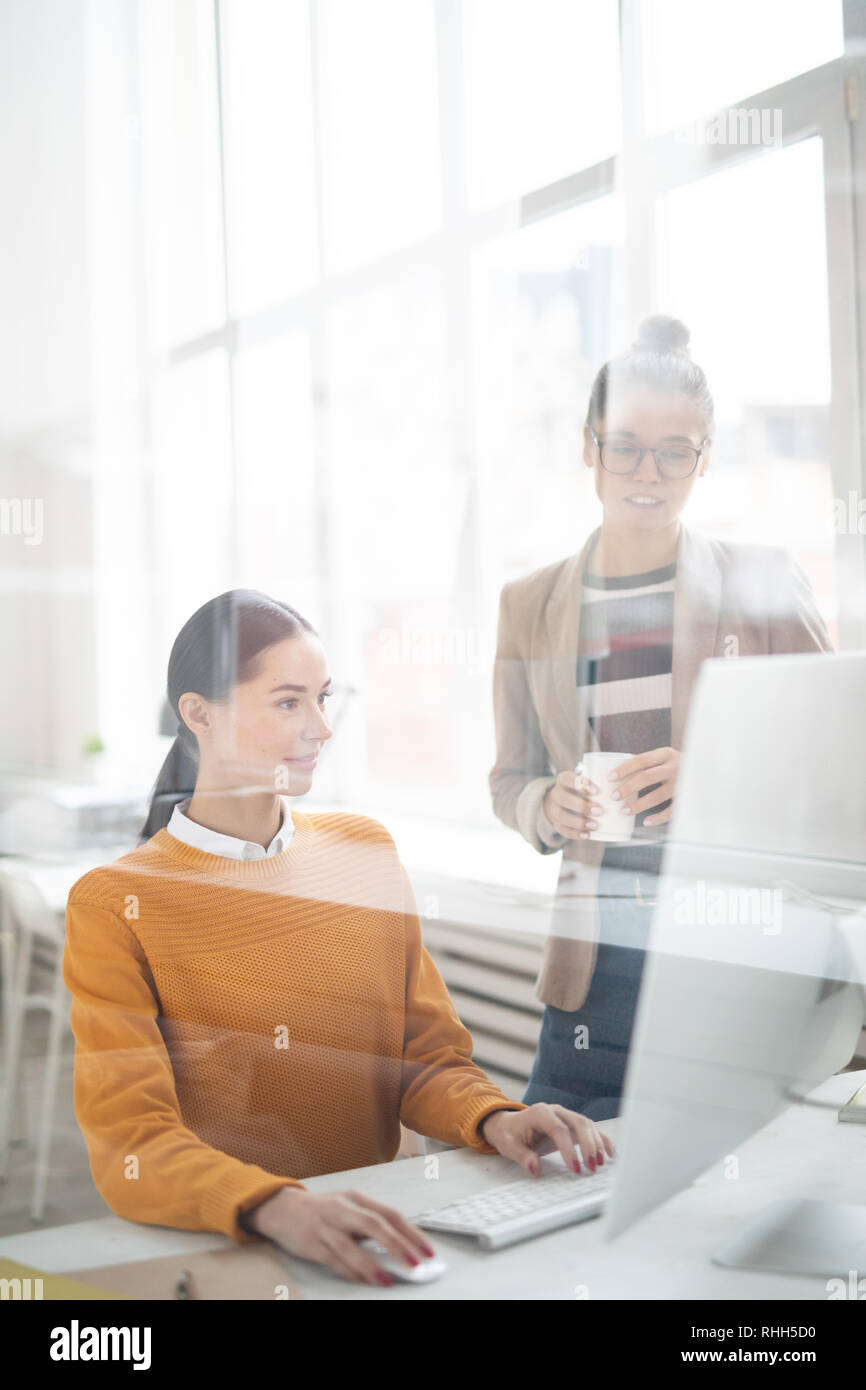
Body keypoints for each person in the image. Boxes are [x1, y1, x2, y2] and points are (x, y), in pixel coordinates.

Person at [64, 589, 615, 1288]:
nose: (322, 728)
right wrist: (277, 1205)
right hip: (241, 1245)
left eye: (325, 698)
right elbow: (130, 1146)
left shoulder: (364, 851)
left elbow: (421, 1063)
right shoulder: (117, 904)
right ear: (198, 714)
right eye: (289, 702)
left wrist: (494, 1117)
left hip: (379, 1230)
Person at [489, 314, 834, 1120]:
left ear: (705, 456)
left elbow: (840, 759)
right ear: (589, 446)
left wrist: (715, 770)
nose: (649, 471)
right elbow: (509, 778)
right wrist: (546, 803)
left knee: (715, 1195)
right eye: (625, 445)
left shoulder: (765, 582)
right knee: (563, 1173)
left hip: (734, 956)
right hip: (593, 970)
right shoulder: (528, 604)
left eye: (676, 450)